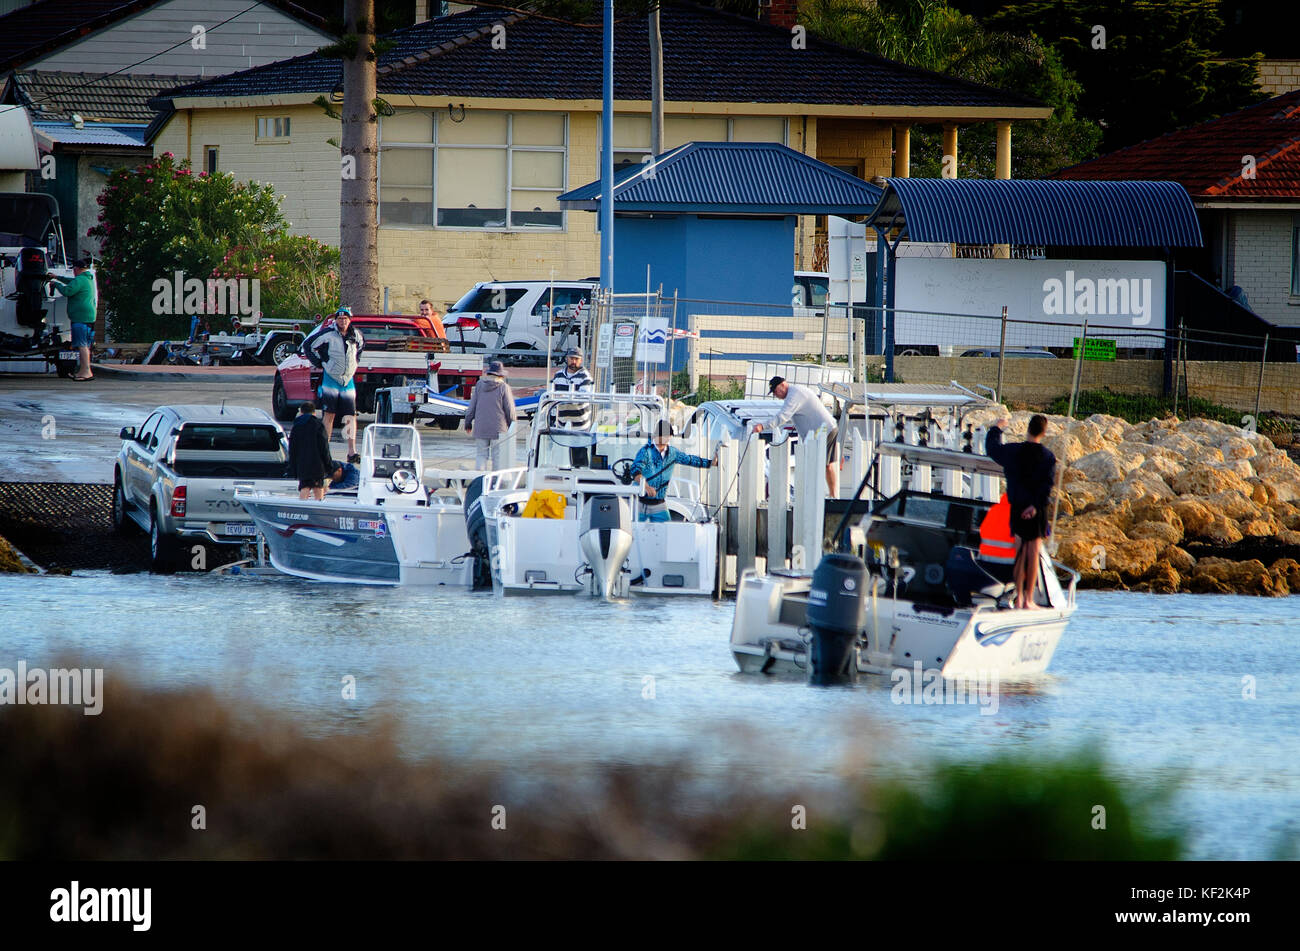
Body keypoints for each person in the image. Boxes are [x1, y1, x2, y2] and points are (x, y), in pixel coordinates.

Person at [985, 414, 1057, 609]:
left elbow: (992, 449)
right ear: (1043, 432)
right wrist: (1034, 506)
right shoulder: (1048, 457)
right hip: (1036, 508)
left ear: (1028, 429)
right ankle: (1029, 599)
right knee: (1033, 553)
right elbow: (1047, 485)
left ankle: (1019, 599)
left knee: (1019, 552)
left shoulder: (1013, 451)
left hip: (1016, 506)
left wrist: (997, 429)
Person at [752, 376, 840, 497]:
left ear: (783, 385)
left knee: (822, 464)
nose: (776, 395)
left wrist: (763, 426)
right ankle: (828, 494)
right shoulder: (795, 393)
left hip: (825, 430)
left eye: (776, 391)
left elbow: (783, 416)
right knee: (824, 464)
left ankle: (828, 495)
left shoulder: (794, 394)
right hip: (820, 431)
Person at [631, 420, 717, 522]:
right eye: (664, 436)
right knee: (634, 532)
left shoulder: (673, 453)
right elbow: (635, 472)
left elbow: (689, 460)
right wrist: (646, 487)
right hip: (640, 503)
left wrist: (710, 463)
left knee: (667, 531)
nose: (667, 439)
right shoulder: (645, 451)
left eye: (669, 436)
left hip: (659, 504)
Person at [310, 306, 365, 456]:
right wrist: (321, 362)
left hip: (347, 380)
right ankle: (325, 450)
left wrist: (355, 362)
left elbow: (360, 347)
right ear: (336, 320)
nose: (343, 321)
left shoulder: (356, 334)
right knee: (329, 414)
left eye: (345, 318)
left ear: (350, 320)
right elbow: (309, 346)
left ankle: (352, 451)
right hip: (331, 379)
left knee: (350, 416)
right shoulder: (328, 334)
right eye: (340, 319)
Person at [48, 257, 96, 381]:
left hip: (81, 317)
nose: (73, 272)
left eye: (73, 269)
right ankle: (83, 371)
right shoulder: (87, 278)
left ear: (77, 269)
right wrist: (57, 277)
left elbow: (67, 291)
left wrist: (56, 284)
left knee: (82, 345)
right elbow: (71, 281)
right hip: (89, 316)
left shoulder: (80, 279)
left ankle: (86, 372)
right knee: (85, 345)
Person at [464, 360, 516, 470]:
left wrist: (468, 423)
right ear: (501, 375)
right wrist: (512, 426)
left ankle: (480, 480)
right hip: (498, 429)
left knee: (481, 455)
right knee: (497, 457)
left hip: (481, 427)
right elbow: (510, 410)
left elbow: (471, 407)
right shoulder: (503, 387)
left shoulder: (479, 385)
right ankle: (494, 482)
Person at [551, 348, 594, 467]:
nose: (573, 361)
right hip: (562, 424)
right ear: (567, 358)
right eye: (571, 358)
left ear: (581, 360)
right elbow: (553, 395)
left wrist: (564, 397)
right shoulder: (558, 375)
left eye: (576, 359)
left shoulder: (585, 377)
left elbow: (582, 397)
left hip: (580, 426)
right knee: (561, 457)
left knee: (579, 458)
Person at [289, 402, 333, 500]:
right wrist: (328, 465)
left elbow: (292, 448)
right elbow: (324, 447)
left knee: (304, 487)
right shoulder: (318, 425)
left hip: (302, 464)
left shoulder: (296, 426)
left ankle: (302, 508)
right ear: (314, 412)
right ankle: (318, 510)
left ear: (301, 412)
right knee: (318, 488)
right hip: (317, 464)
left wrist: (293, 467)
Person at [977, 493, 1017, 582]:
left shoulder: (993, 510)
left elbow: (983, 531)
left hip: (985, 565)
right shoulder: (1017, 513)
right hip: (1007, 567)